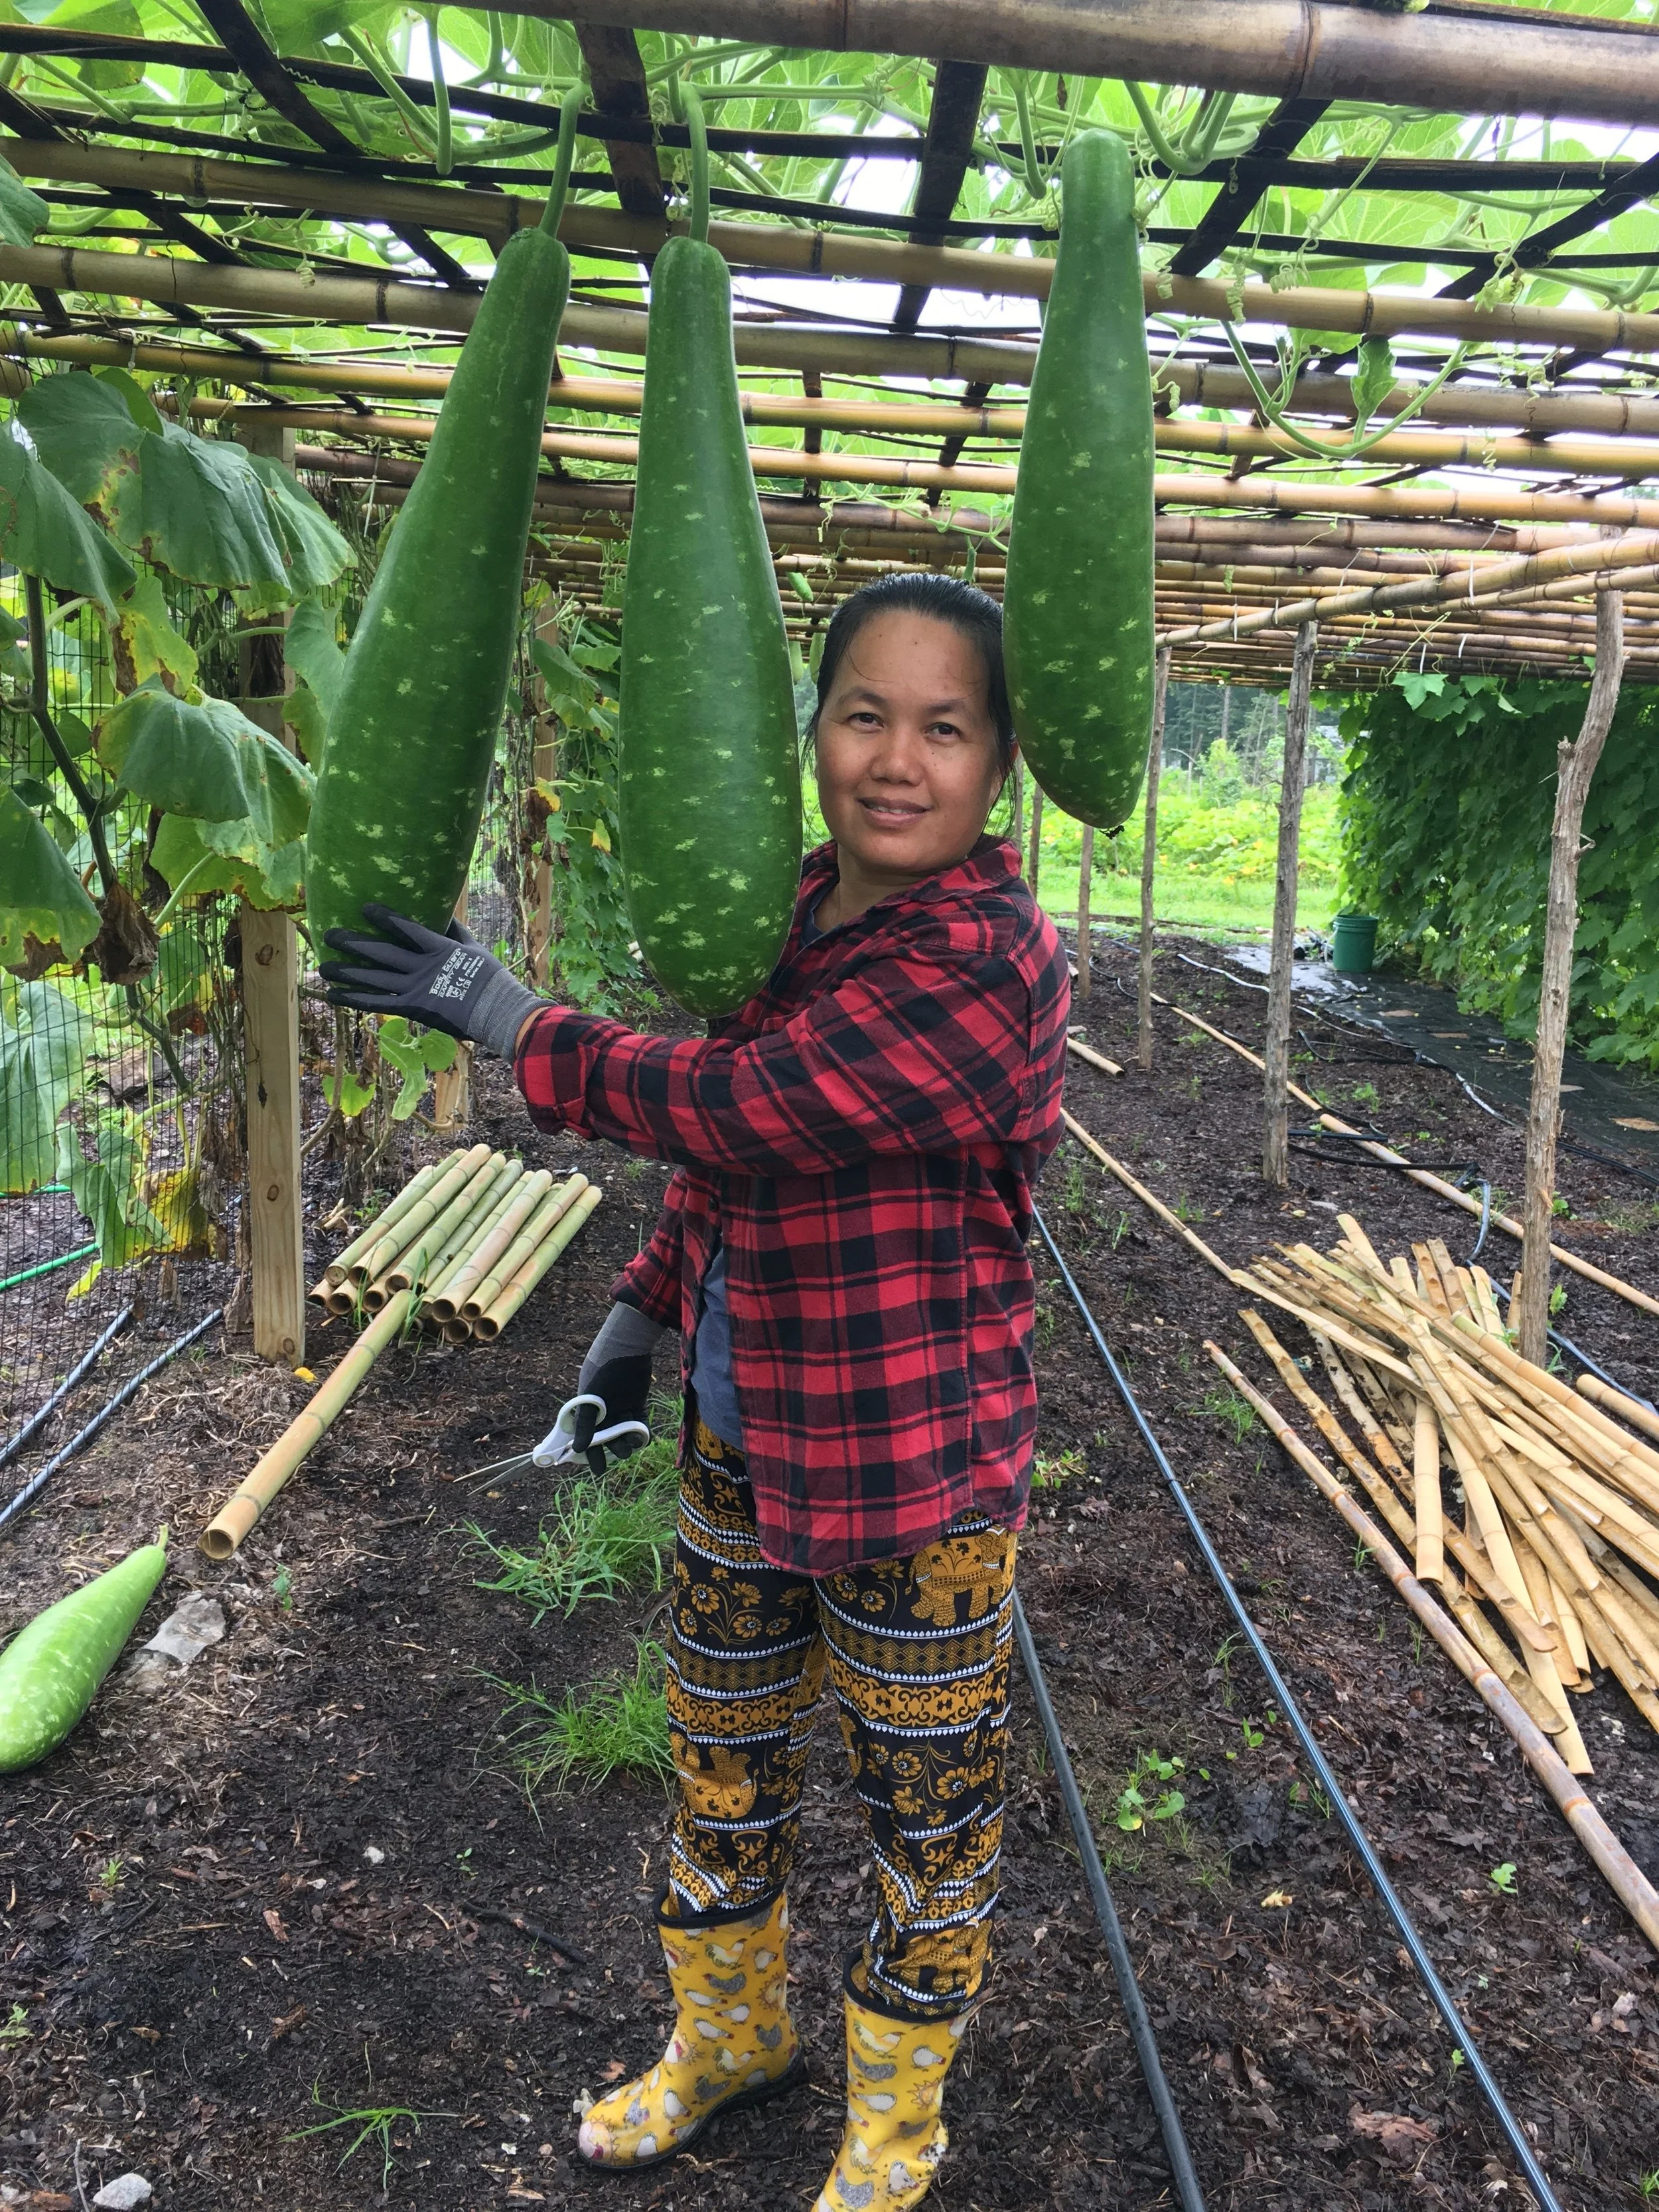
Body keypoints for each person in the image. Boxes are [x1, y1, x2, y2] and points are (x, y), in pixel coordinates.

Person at [321, 571, 1070, 2211]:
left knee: (926, 1810)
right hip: (743, 1443)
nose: (896, 758)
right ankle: (730, 2036)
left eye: (944, 727)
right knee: (718, 1757)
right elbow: (730, 1181)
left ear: (999, 760)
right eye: (862, 714)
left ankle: (893, 2130)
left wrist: (511, 1017)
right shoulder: (789, 911)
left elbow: (753, 1107)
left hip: (914, 1483)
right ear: (809, 734)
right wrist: (636, 1318)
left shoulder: (988, 957)